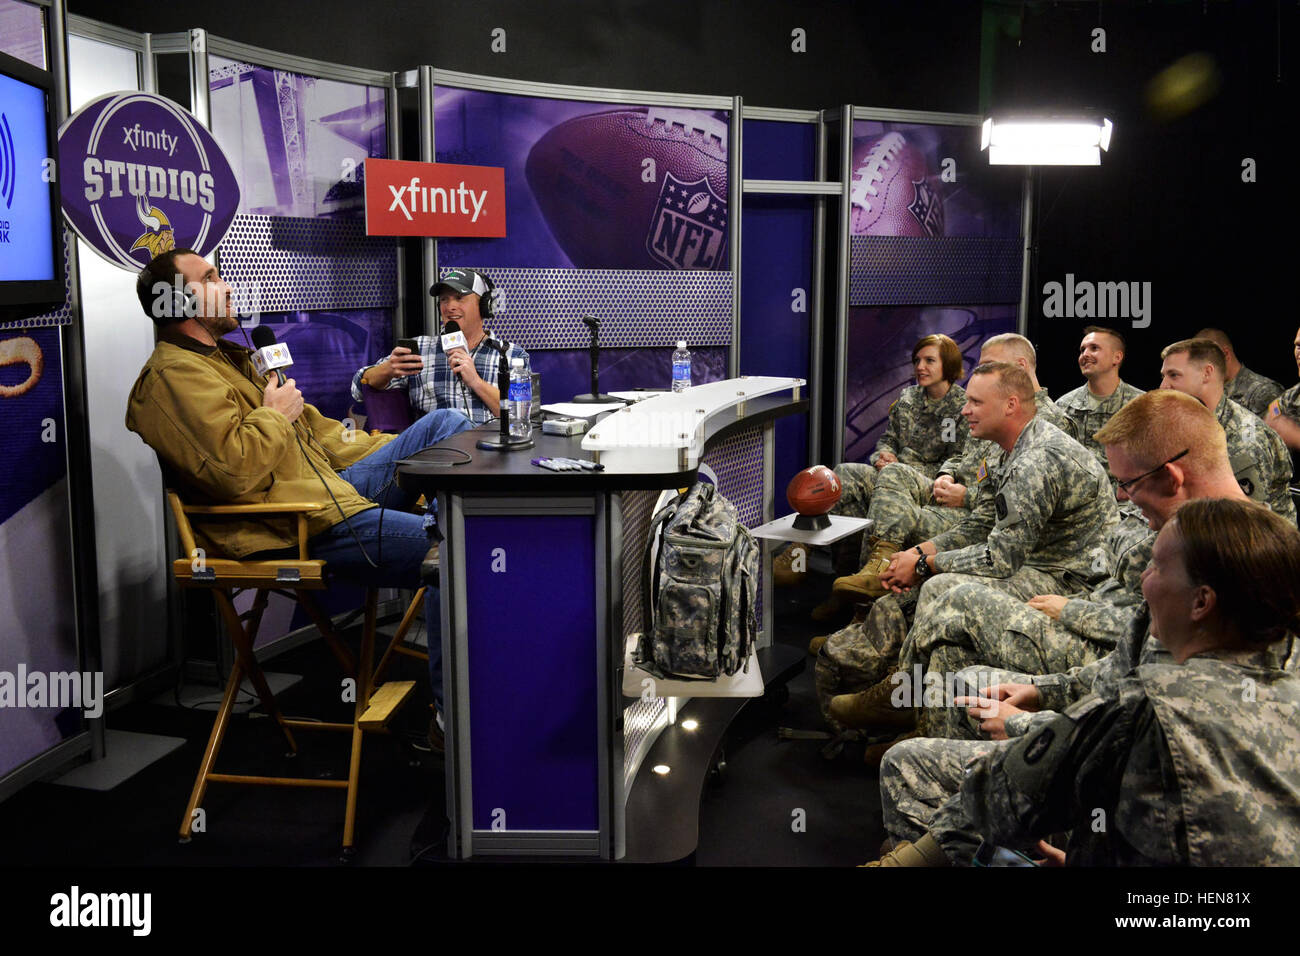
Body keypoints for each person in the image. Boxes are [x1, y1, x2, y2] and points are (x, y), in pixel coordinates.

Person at [875, 390, 1257, 854]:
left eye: (1128, 485)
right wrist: (1039, 692)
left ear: (1172, 477)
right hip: (1111, 742)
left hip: (1133, 806)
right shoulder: (1190, 545)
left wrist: (1026, 726)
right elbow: (1124, 666)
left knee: (909, 759)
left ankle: (947, 839)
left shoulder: (1238, 569)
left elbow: (1143, 746)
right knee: (968, 680)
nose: (1121, 498)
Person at [125, 248, 474, 742]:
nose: (227, 287)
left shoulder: (235, 359)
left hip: (329, 491)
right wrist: (274, 414)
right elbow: (232, 472)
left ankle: (444, 517)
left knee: (446, 426)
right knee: (454, 552)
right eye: (210, 279)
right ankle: (453, 725)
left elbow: (323, 436)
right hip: (289, 522)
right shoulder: (171, 378)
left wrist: (396, 451)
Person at [872, 497, 1300, 867]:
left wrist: (1021, 729)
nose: (1144, 583)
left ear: (1201, 602)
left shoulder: (1149, 707)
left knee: (926, 774)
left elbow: (993, 800)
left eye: (1155, 567)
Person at [814, 363, 1116, 752]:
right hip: (1036, 565)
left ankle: (901, 691)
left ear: (1010, 405)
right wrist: (916, 553)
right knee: (946, 630)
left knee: (944, 588)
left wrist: (925, 566)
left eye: (975, 402)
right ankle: (923, 722)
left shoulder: (1036, 458)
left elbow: (1000, 559)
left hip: (1070, 582)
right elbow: (980, 524)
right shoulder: (1010, 449)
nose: (964, 410)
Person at [825, 333, 1072, 609]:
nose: (981, 373)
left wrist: (965, 496)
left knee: (898, 518)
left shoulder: (1044, 427)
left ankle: (867, 607)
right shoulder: (991, 409)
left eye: (990, 365)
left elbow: (1004, 514)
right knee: (889, 474)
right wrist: (948, 474)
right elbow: (965, 457)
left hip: (986, 523)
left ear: (1021, 366)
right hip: (954, 493)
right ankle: (860, 584)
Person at [787, 333, 968, 620]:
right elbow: (888, 439)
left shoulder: (964, 407)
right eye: (917, 360)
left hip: (931, 485)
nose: (920, 366)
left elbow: (962, 459)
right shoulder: (907, 398)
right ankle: (814, 562)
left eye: (929, 360)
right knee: (844, 474)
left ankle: (865, 593)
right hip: (893, 474)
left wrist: (910, 470)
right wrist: (884, 455)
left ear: (949, 364)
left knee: (892, 478)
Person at [351, 268, 528, 425]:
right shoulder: (419, 348)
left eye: (459, 298)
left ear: (485, 306)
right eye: (444, 299)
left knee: (454, 419)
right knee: (449, 418)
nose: (450, 307)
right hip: (432, 453)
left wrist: (476, 382)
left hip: (489, 453)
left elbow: (521, 418)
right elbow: (358, 388)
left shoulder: (511, 355)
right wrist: (388, 369)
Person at [1159, 337, 1294, 522]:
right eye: (1163, 376)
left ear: (1207, 373)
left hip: (1256, 540)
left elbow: (1243, 525)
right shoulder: (1189, 424)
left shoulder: (1244, 440)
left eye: (1174, 375)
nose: (1163, 386)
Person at [1055, 326, 1144, 469]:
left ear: (1117, 357)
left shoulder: (1141, 405)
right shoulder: (1063, 406)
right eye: (1082, 350)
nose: (1085, 354)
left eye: (1094, 348)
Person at [1195, 326, 1283, 418]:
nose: (1202, 369)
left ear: (1225, 354)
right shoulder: (1206, 395)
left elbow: (1277, 430)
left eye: (1205, 361)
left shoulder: (1264, 392)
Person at [1265, 324, 1300, 454]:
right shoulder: (1294, 394)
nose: (1299, 353)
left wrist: (1296, 437)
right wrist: (1275, 418)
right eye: (1298, 346)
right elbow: (1274, 408)